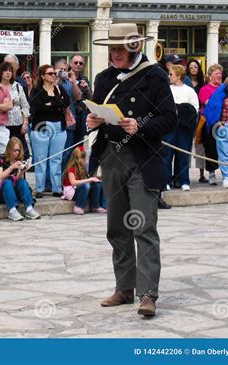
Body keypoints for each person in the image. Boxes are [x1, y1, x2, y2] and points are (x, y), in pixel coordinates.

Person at [87, 23, 177, 317]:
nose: (114, 54)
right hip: (111, 158)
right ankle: (124, 288)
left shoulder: (155, 77)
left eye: (119, 49)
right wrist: (93, 121)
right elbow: (95, 109)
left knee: (144, 227)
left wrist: (141, 125)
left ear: (134, 47)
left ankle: (148, 293)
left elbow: (169, 119)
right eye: (111, 49)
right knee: (117, 227)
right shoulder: (104, 78)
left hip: (143, 159)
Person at [29, 64, 70, 199]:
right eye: (50, 73)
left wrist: (50, 103)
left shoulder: (60, 88)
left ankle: (56, 188)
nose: (54, 75)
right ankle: (40, 188)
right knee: (40, 159)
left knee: (56, 159)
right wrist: (56, 104)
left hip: (59, 127)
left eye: (54, 73)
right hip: (41, 126)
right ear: (42, 76)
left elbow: (66, 102)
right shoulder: (36, 91)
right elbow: (38, 108)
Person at [163, 65, 199, 191]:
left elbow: (194, 108)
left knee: (183, 154)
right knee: (167, 154)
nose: (169, 76)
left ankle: (183, 180)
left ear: (178, 76)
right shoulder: (166, 89)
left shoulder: (189, 91)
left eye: (171, 74)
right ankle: (166, 180)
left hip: (184, 128)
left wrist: (179, 109)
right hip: (169, 127)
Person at [0, 137, 40, 221]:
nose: (17, 153)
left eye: (18, 150)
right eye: (15, 150)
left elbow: (19, 180)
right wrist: (11, 167)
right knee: (7, 182)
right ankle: (12, 210)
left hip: (13, 191)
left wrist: (22, 171)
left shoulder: (19, 160)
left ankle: (29, 208)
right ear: (9, 149)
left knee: (22, 182)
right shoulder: (1, 158)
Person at [204, 72, 228, 188]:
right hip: (225, 126)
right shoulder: (220, 92)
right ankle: (226, 177)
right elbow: (212, 108)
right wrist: (217, 124)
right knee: (225, 153)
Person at [0, 61, 31, 160]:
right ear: (1, 73)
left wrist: (25, 123)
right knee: (4, 152)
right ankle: (4, 174)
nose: (8, 73)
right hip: (2, 125)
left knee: (20, 153)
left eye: (10, 71)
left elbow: (25, 106)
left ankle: (20, 174)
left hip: (17, 124)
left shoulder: (17, 86)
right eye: (5, 71)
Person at [54, 58, 82, 169]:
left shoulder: (69, 82)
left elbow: (79, 97)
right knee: (55, 154)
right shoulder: (50, 81)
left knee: (67, 152)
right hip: (55, 122)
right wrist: (56, 79)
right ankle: (52, 181)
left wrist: (74, 82)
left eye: (65, 69)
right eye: (60, 69)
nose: (63, 72)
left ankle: (62, 179)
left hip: (69, 123)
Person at [198, 64, 223, 185]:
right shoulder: (204, 89)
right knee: (210, 149)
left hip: (224, 123)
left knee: (227, 149)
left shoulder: (224, 88)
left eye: (220, 73)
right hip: (209, 124)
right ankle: (212, 173)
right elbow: (210, 104)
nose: (219, 75)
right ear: (210, 75)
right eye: (217, 73)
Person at [62, 147, 106, 215]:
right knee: (86, 185)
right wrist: (89, 179)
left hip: (79, 189)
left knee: (97, 184)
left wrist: (95, 179)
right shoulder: (71, 168)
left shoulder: (82, 168)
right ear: (80, 159)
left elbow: (85, 180)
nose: (86, 160)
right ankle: (78, 206)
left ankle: (96, 206)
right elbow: (73, 183)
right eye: (85, 158)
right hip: (71, 191)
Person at [187, 59, 208, 183]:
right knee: (187, 145)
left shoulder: (203, 83)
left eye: (196, 67)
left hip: (200, 117)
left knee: (200, 145)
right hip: (188, 118)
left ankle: (201, 173)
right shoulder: (185, 82)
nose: (193, 68)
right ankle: (185, 172)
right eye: (191, 67)